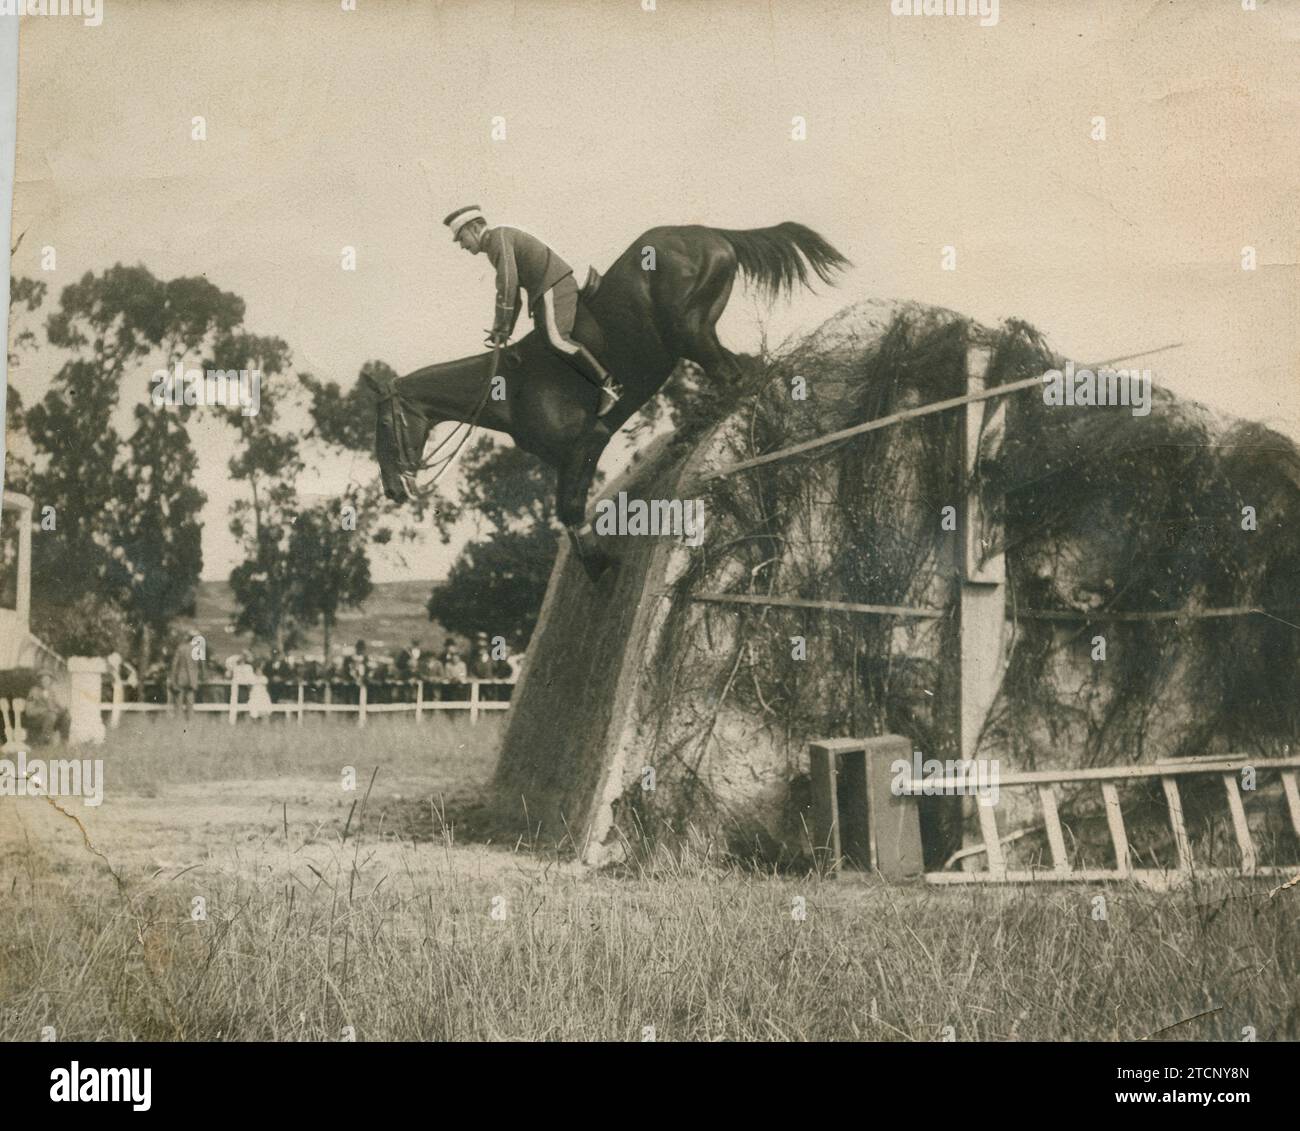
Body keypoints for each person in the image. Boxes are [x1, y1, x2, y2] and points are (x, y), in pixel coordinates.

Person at [443, 205, 622, 416]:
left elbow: (508, 285)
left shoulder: (496, 240)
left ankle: (610, 384)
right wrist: (503, 331)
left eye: (461, 238)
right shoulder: (497, 242)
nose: (462, 246)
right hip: (545, 289)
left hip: (552, 284)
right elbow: (514, 294)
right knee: (545, 345)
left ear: (474, 228)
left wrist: (500, 327)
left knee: (557, 339)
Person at [168, 628, 200, 718]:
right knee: (190, 702)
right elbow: (201, 665)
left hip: (181, 677)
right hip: (192, 678)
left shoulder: (181, 648)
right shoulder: (197, 650)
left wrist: (173, 678)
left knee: (178, 702)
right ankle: (190, 721)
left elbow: (174, 664)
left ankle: (178, 723)